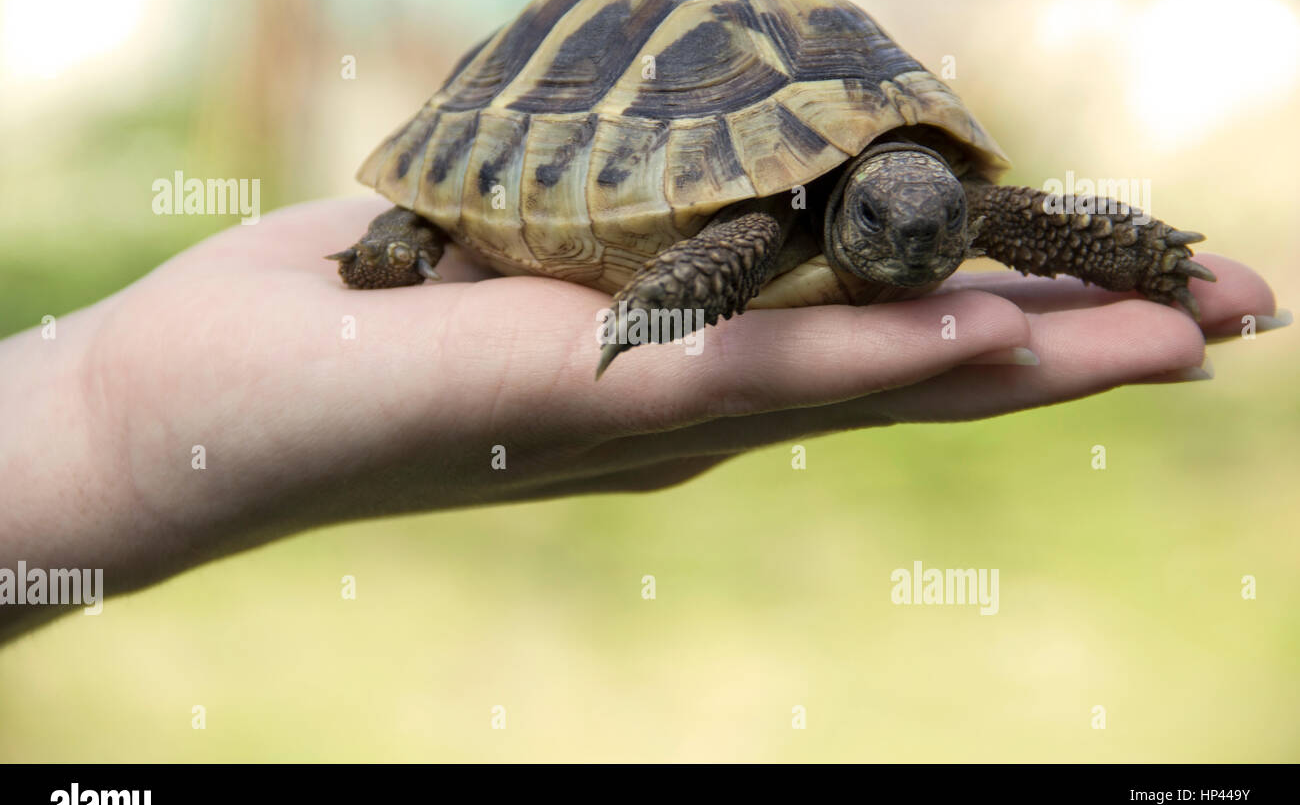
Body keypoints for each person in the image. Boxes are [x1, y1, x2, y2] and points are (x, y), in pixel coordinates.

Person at [0, 197, 1286, 641]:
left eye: (937, 226)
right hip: (667, 184)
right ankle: (414, 230)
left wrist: (1146, 258)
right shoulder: (779, 221)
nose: (917, 249)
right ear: (843, 216)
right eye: (886, 229)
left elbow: (988, 214)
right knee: (733, 245)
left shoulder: (939, 203)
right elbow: (745, 238)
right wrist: (105, 422)